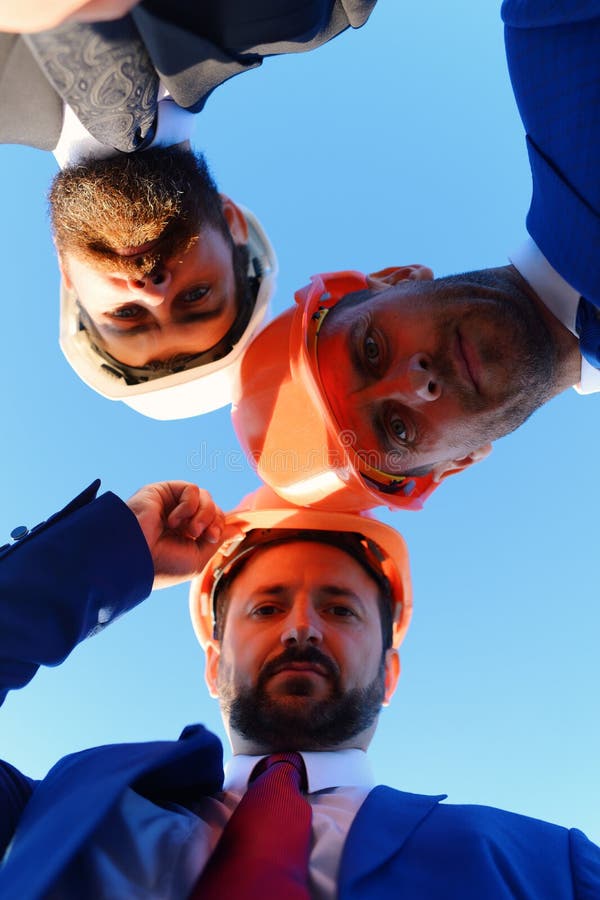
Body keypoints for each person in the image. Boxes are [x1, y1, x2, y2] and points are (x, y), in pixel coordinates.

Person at [0, 481, 598, 897]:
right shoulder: (53, 818)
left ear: (389, 673)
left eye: (340, 609)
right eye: (266, 607)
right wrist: (112, 552)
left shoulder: (551, 870)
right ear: (213, 667)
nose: (302, 628)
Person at [232, 2, 600, 512]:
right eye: (398, 428)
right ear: (461, 461)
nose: (418, 382)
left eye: (373, 349)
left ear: (395, 278)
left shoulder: (560, 38)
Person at [0, 1, 376, 417]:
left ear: (68, 273)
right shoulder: (318, 10)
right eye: (197, 296)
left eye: (127, 315)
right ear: (232, 223)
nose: (155, 293)